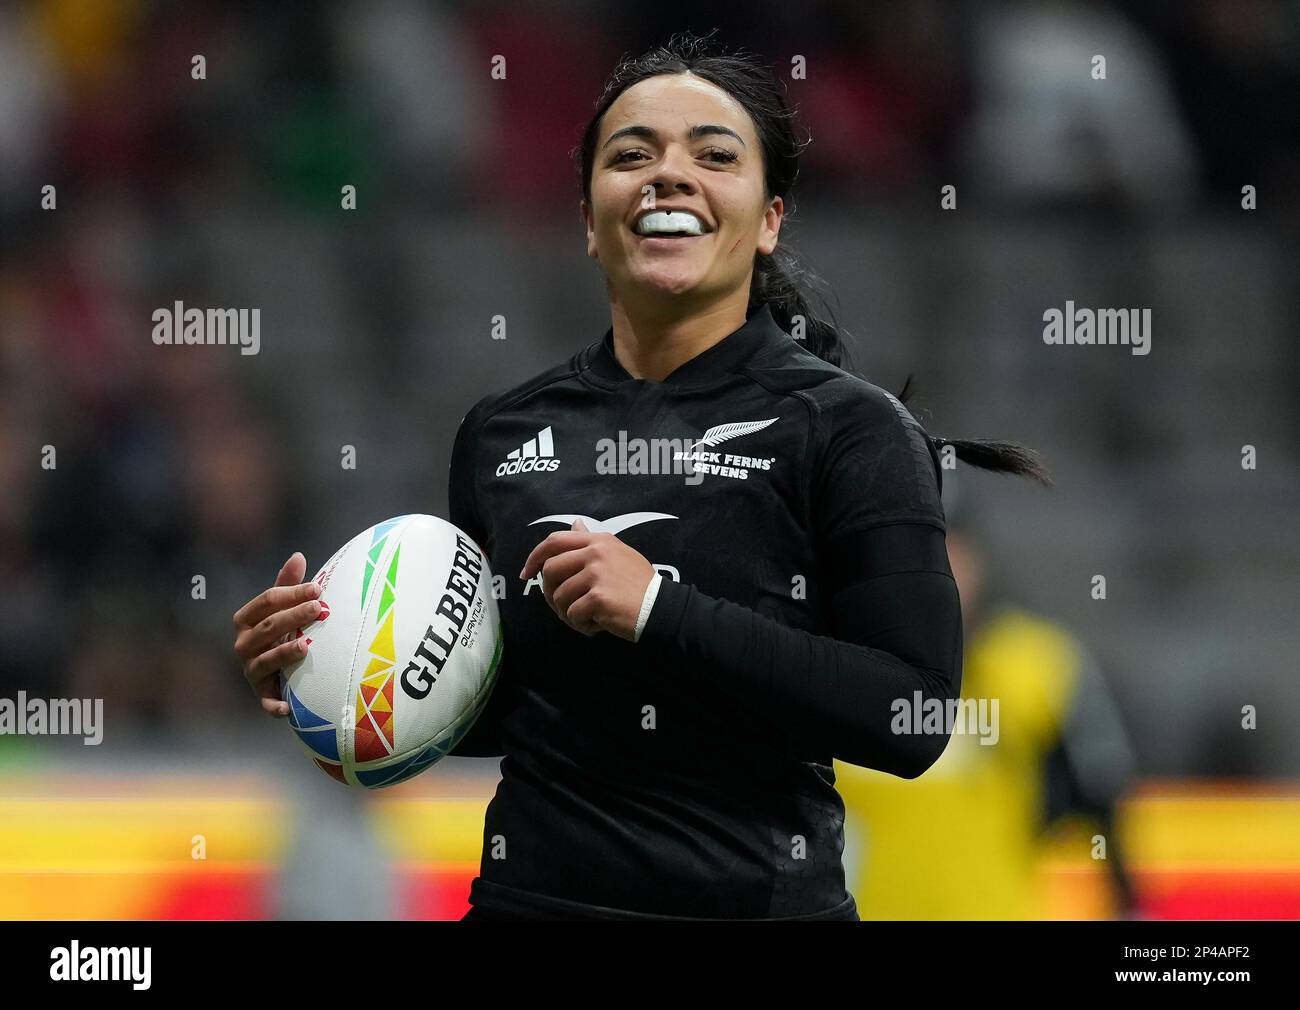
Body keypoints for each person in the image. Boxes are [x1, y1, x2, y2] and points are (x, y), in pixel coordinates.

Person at [233, 32, 1048, 921]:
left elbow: (916, 718)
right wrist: (356, 700)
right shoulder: (504, 432)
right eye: (632, 155)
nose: (668, 174)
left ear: (770, 217)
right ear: (589, 218)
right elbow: (527, 705)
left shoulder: (854, 432)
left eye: (714, 155)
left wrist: (663, 612)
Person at [837, 475, 1138, 919]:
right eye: (908, 548)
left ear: (978, 555)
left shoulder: (1038, 667)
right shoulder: (828, 669)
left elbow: (1103, 802)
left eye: (949, 546)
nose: (933, 567)